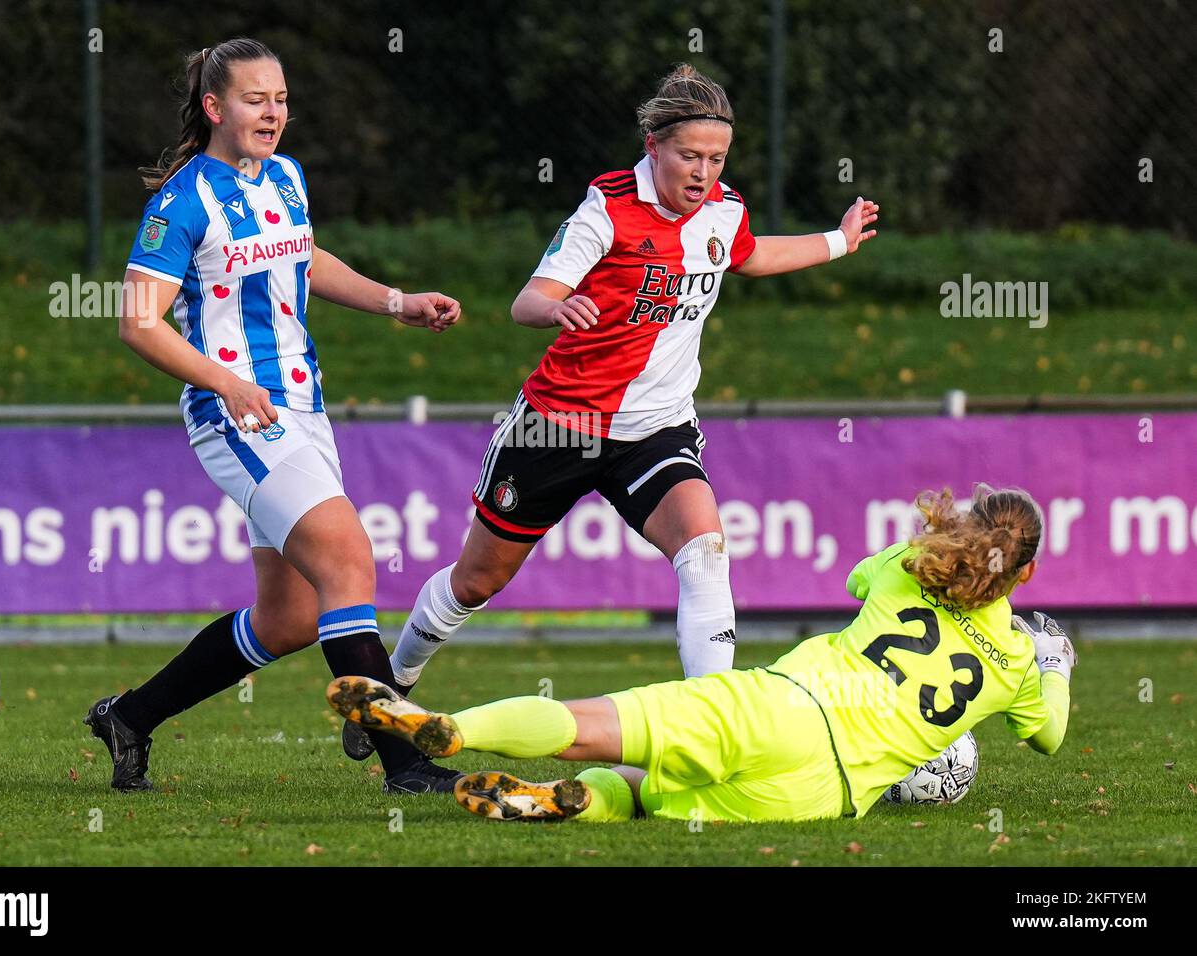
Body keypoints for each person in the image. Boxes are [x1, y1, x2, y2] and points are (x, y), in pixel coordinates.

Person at [341, 64, 879, 762]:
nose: (704, 172)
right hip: (556, 426)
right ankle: (396, 682)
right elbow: (526, 300)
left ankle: (713, 730)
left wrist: (837, 241)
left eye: (717, 159)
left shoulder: (722, 209)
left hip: (654, 431)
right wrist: (555, 306)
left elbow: (747, 254)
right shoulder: (606, 208)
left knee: (705, 552)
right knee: (477, 580)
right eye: (691, 157)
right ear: (653, 146)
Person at [84, 37, 466, 795]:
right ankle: (402, 759)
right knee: (349, 560)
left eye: (282, 98)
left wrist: (398, 302)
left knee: (289, 617)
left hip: (302, 409)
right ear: (215, 107)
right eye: (256, 99)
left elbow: (306, 258)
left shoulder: (285, 176)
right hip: (239, 419)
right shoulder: (183, 200)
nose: (274, 112)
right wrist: (225, 383)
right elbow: (137, 321)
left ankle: (130, 717)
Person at [328, 485, 1076, 823]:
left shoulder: (905, 567)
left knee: (584, 721)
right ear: (1028, 574)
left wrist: (931, 550)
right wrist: (1053, 659)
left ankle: (448, 725)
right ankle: (573, 804)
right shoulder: (1015, 660)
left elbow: (860, 576)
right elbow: (1050, 739)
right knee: (650, 796)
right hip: (820, 799)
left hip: (781, 707)